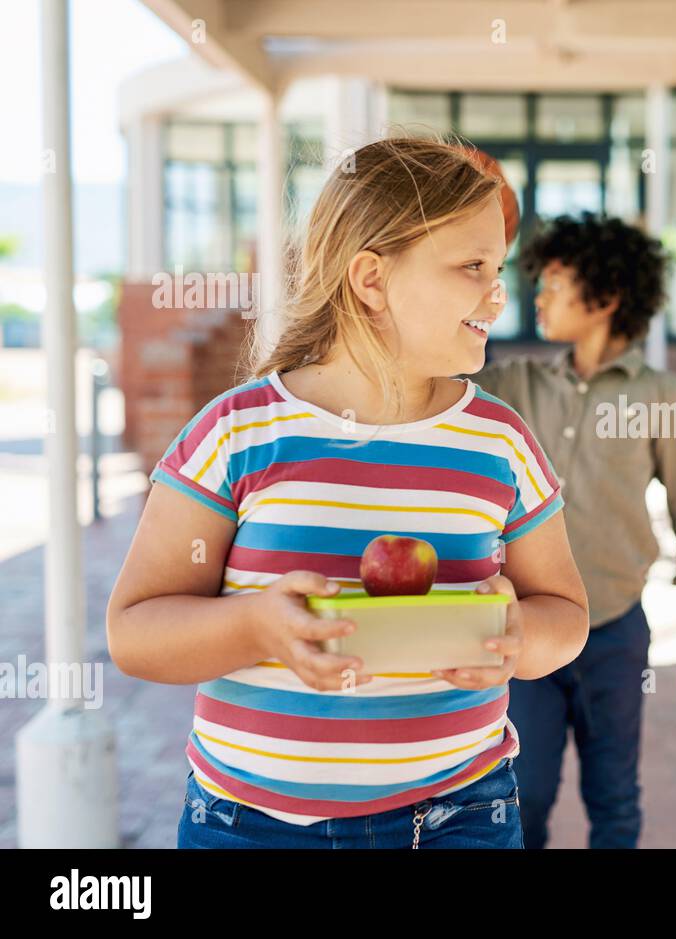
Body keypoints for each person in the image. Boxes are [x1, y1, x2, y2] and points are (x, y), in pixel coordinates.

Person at [105, 137, 589, 848]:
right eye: (472, 267)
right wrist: (253, 627)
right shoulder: (238, 434)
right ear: (370, 278)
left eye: (500, 267)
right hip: (247, 825)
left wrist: (519, 638)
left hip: (458, 816)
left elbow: (566, 613)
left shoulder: (499, 442)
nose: (499, 291)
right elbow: (134, 631)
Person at [470, 212, 676, 849]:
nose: (541, 297)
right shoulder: (512, 384)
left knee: (614, 803)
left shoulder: (662, 395)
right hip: (528, 632)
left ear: (607, 298)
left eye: (556, 284)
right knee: (522, 796)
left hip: (614, 635)